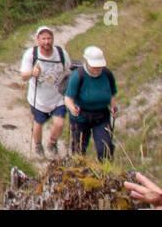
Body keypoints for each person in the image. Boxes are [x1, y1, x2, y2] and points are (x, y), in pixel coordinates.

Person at [19, 25, 68, 156]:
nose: (47, 42)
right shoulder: (31, 54)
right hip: (38, 98)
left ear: (53, 39)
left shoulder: (61, 54)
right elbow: (23, 76)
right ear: (38, 40)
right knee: (38, 124)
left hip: (58, 97)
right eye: (44, 39)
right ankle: (38, 145)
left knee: (59, 123)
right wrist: (32, 72)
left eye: (49, 38)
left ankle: (52, 143)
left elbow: (68, 70)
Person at [63, 45, 118, 162]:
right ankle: (77, 172)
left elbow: (113, 94)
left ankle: (104, 173)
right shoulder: (78, 75)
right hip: (81, 117)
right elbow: (68, 98)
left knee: (105, 148)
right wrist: (72, 108)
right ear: (87, 62)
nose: (97, 69)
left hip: (102, 117)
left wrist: (113, 107)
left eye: (99, 66)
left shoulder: (107, 74)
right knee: (79, 149)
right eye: (94, 66)